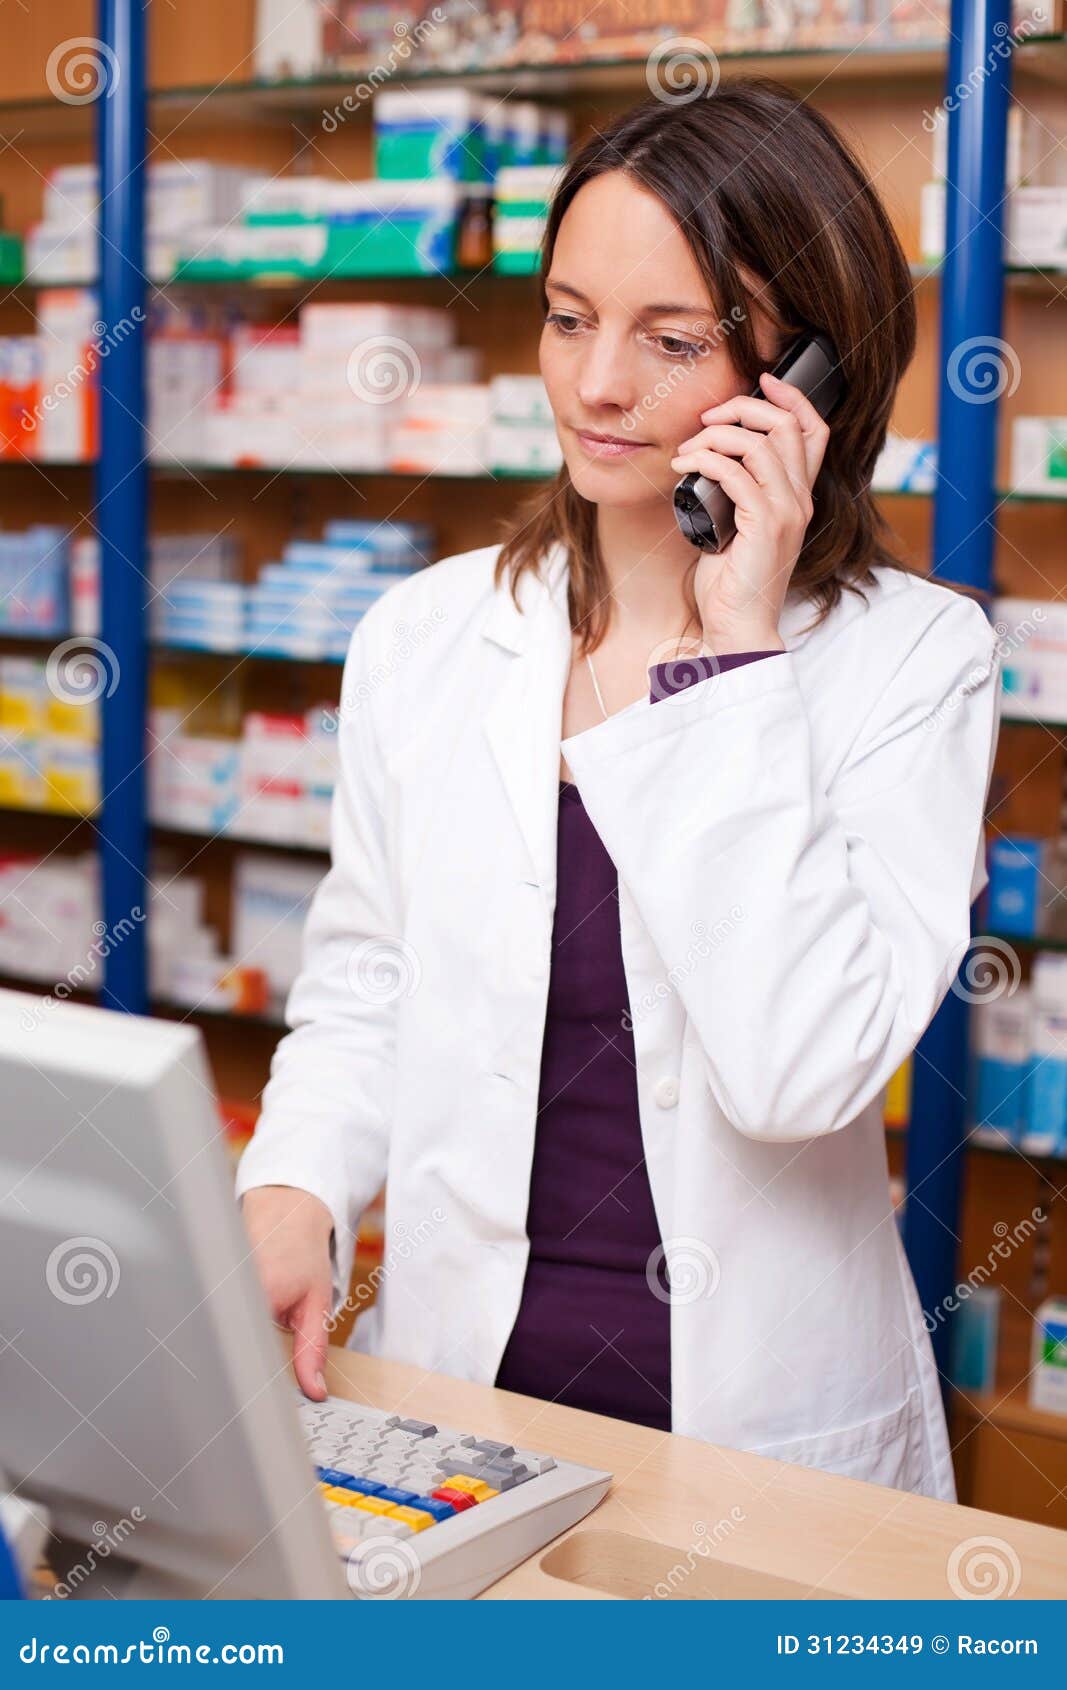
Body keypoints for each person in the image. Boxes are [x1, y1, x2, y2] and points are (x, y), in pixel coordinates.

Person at [237, 79, 1001, 1500]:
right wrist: (291, 1190)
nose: (595, 386)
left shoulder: (915, 662)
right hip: (454, 1406)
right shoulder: (426, 634)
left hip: (762, 1453)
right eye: (569, 316)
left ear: (806, 376)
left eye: (673, 340)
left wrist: (736, 653)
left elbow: (801, 1072)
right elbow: (364, 988)